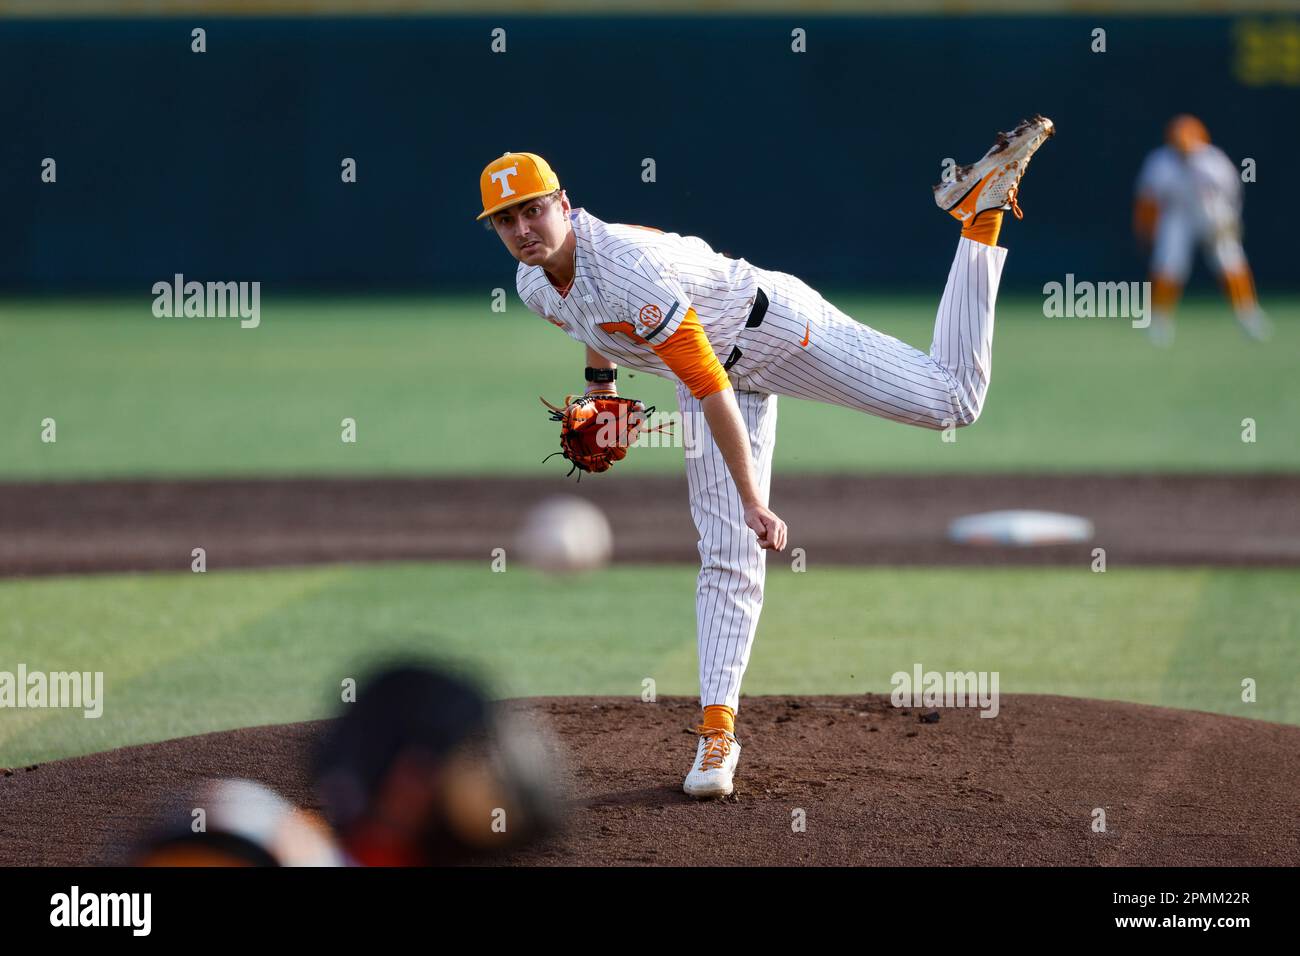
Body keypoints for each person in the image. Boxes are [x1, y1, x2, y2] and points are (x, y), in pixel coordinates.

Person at [477, 115, 1053, 798]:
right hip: (710, 370)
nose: (522, 229)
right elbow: (589, 316)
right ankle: (717, 732)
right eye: (505, 219)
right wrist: (600, 390)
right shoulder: (534, 282)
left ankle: (976, 217)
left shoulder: (630, 271)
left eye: (533, 210)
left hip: (777, 331)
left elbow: (710, 385)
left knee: (951, 400)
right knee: (725, 554)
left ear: (563, 205)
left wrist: (755, 501)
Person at [1134, 114, 1271, 345]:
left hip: (1212, 214)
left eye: (1187, 137)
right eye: (1178, 138)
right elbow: (1147, 202)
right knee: (1168, 265)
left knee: (1231, 263)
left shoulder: (1212, 161)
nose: (1183, 142)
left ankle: (1249, 315)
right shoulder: (1160, 162)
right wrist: (1146, 229)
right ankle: (1158, 320)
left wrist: (1230, 221)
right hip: (1177, 216)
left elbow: (1233, 193)